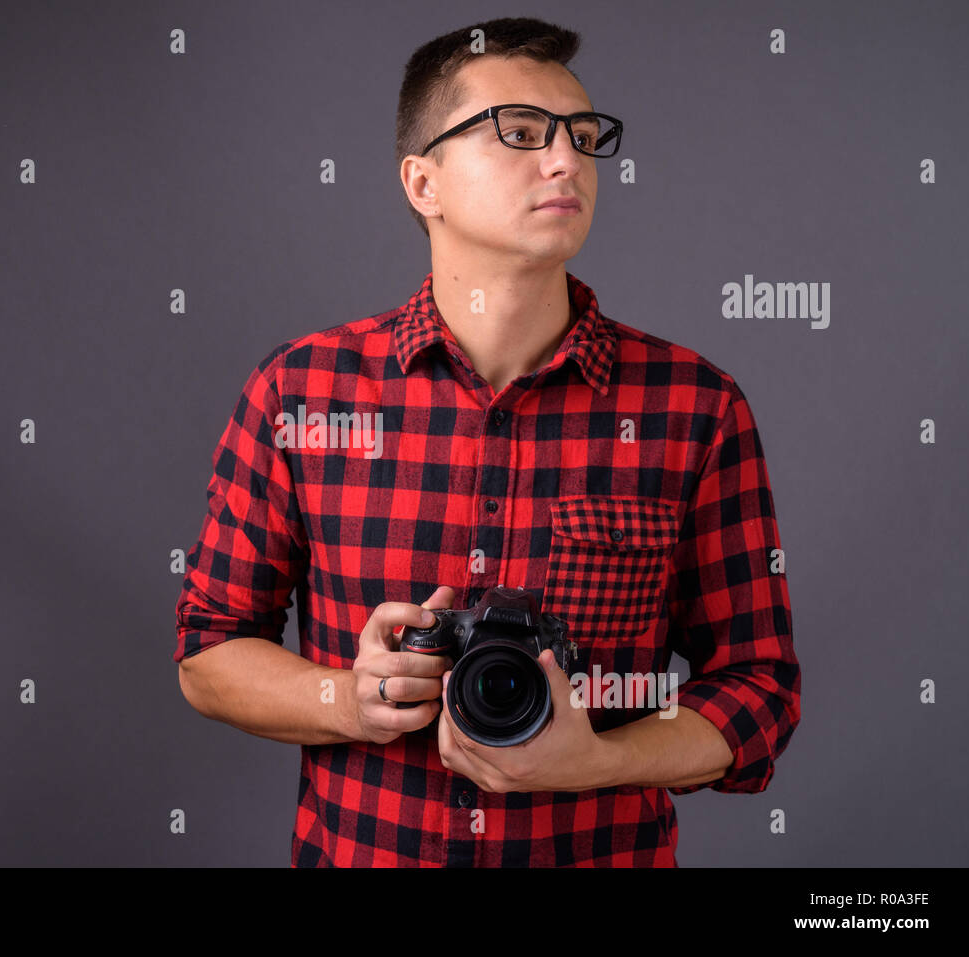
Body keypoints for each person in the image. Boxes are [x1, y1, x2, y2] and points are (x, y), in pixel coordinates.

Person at [173, 16, 801, 866]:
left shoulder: (694, 408)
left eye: (584, 136)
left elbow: (760, 687)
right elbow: (207, 650)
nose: (565, 161)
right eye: (520, 132)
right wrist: (347, 698)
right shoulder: (301, 390)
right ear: (422, 182)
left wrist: (600, 760)